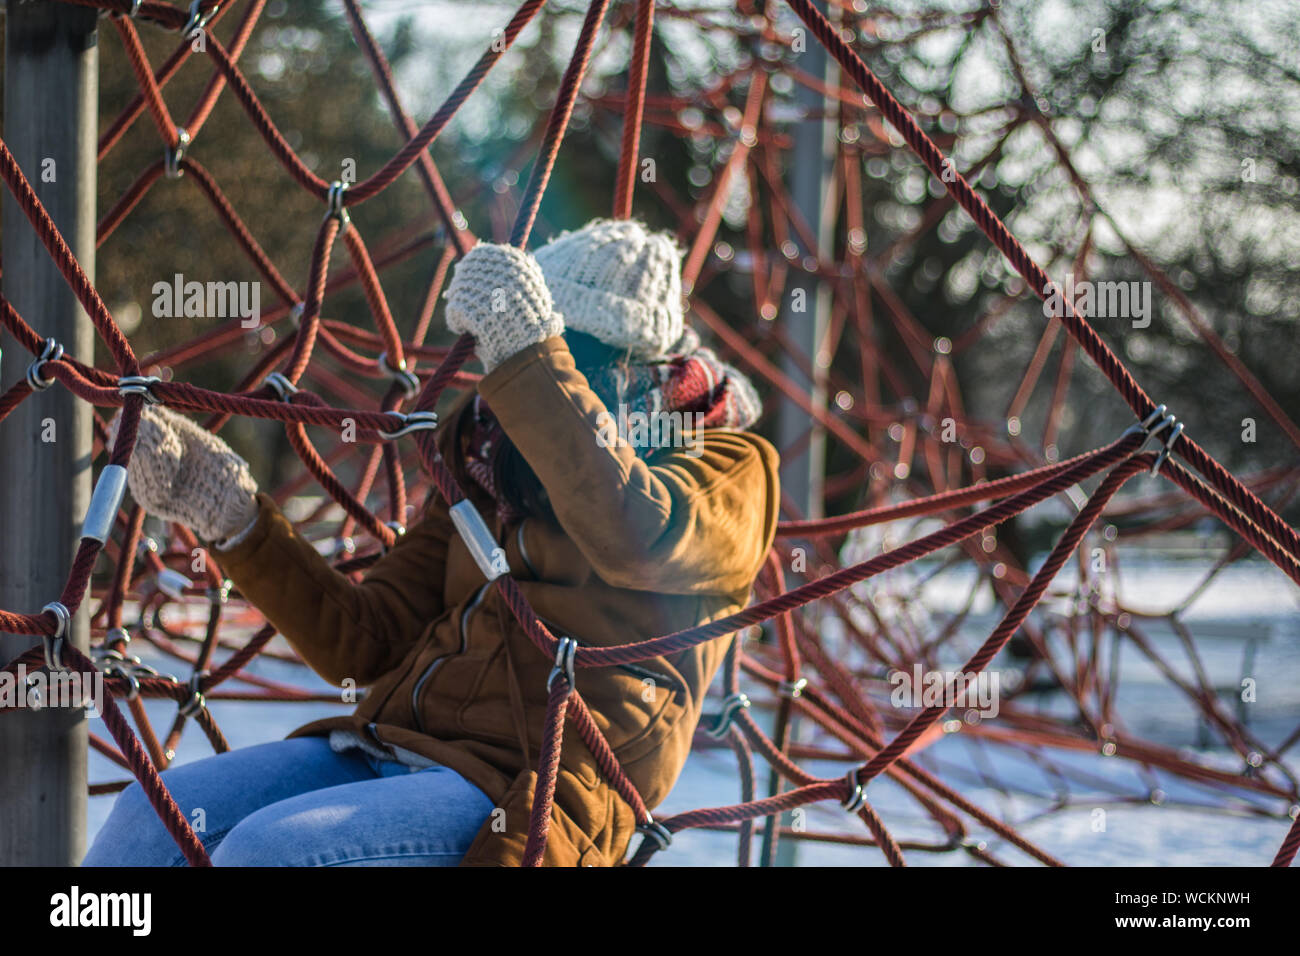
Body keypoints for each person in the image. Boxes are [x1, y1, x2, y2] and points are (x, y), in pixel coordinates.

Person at [83, 218, 779, 867]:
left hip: (529, 787)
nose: (500, 383)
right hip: (395, 743)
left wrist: (530, 355)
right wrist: (232, 515)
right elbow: (368, 641)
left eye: (548, 352)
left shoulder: (724, 465)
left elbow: (635, 534)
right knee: (152, 815)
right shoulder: (489, 450)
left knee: (270, 854)